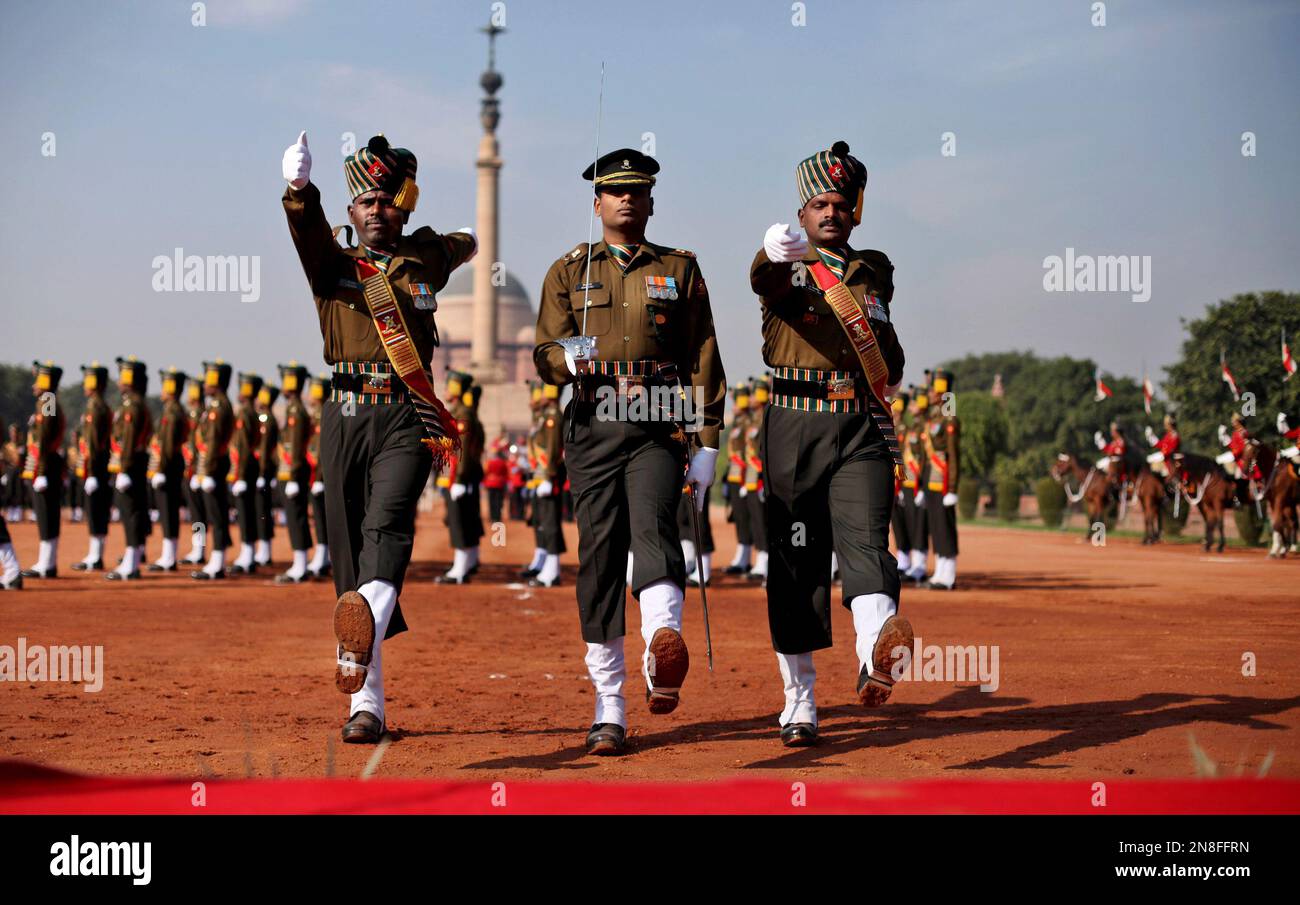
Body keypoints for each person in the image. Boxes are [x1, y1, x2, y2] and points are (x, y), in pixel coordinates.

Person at [282, 130, 476, 743]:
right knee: (348, 547)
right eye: (366, 201)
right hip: (343, 413)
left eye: (389, 200)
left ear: (406, 203)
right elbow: (306, 231)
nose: (377, 210)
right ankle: (367, 709)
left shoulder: (424, 259)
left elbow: (460, 244)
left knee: (387, 528)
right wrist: (298, 191)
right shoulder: (331, 264)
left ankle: (358, 663)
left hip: (405, 416)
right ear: (349, 210)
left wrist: (462, 244)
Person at [534, 147, 726, 756]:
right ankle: (608, 705)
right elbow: (544, 352)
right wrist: (564, 359)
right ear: (597, 204)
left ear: (650, 202)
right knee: (598, 558)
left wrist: (707, 438)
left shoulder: (681, 268)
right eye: (614, 191)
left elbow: (703, 355)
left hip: (655, 422)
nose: (625, 199)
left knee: (656, 531)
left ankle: (663, 641)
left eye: (636, 191)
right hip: (593, 420)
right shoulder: (568, 271)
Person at [750, 140, 913, 748]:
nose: (830, 213)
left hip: (861, 425)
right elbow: (766, 280)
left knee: (869, 541)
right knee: (798, 562)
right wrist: (772, 252)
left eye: (841, 204)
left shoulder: (873, 271)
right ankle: (800, 700)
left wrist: (890, 364)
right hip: (795, 423)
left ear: (856, 211)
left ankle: (876, 651)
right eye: (819, 203)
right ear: (801, 212)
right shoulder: (789, 265)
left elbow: (887, 346)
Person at [105, 357, 154, 581]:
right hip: (130, 463)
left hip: (131, 464)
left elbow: (130, 439)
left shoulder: (133, 405)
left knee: (131, 513)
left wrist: (124, 469)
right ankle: (131, 559)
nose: (119, 381)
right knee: (129, 512)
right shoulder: (131, 403)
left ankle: (132, 564)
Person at [435, 372, 485, 584]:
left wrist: (460, 479)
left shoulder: (462, 414)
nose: (445, 391)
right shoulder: (459, 412)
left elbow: (461, 451)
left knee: (459, 522)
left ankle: (460, 569)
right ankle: (466, 563)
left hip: (457, 477)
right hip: (456, 476)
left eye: (448, 387)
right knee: (463, 519)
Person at [21, 361, 66, 580]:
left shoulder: (48, 400)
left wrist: (42, 471)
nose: (34, 385)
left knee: (46, 515)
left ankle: (47, 563)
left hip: (45, 466)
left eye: (38, 379)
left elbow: (45, 438)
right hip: (44, 465)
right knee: (46, 514)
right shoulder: (46, 401)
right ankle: (47, 562)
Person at [191, 360, 235, 580]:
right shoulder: (213, 406)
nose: (205, 384)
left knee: (216, 516)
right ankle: (203, 552)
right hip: (206, 469)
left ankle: (217, 561)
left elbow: (214, 441)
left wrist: (206, 471)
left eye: (210, 379)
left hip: (213, 468)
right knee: (204, 515)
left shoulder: (219, 406)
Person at [921, 371, 961, 590]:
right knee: (936, 525)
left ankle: (949, 573)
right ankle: (940, 570)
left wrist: (953, 487)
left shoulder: (948, 418)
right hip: (932, 477)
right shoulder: (934, 416)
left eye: (932, 389)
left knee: (945, 525)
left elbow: (953, 454)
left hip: (944, 479)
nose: (929, 393)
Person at [275, 363, 315, 584]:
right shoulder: (293, 409)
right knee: (293, 518)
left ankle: (301, 565)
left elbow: (298, 446)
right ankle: (299, 562)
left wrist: (293, 476)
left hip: (294, 473)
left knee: (297, 518)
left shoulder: (297, 411)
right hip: (288, 472)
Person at [525, 381, 566, 587]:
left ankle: (552, 570)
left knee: (550, 523)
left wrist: (549, 477)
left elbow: (552, 448)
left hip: (548, 477)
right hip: (540, 477)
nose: (534, 398)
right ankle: (546, 566)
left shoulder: (553, 417)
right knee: (542, 522)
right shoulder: (544, 417)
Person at [73, 363, 113, 572]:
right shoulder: (93, 406)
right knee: (94, 512)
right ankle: (94, 554)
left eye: (88, 380)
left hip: (96, 469)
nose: (84, 385)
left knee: (97, 512)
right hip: (92, 468)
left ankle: (96, 556)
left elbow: (96, 444)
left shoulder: (97, 407)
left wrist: (94, 472)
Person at [228, 372, 264, 575]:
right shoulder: (250, 412)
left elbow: (242, 446)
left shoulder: (244, 413)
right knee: (246, 513)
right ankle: (247, 553)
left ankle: (248, 554)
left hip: (244, 470)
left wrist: (239, 475)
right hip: (247, 468)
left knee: (245, 513)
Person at [723, 381, 754, 575]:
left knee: (754, 520)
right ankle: (743, 556)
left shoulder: (749, 422)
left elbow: (749, 451)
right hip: (736, 475)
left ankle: (755, 559)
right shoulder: (738, 421)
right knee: (740, 519)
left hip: (747, 476)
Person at [743, 376, 770, 582]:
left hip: (760, 477)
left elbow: (763, 449)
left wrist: (762, 477)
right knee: (756, 521)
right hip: (751, 477)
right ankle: (761, 561)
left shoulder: (763, 417)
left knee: (763, 522)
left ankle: (765, 562)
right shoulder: (754, 418)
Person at [305, 374, 331, 580]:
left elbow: (325, 450)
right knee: (318, 519)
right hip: (314, 475)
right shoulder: (316, 414)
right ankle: (322, 555)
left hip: (321, 476)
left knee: (324, 519)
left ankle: (324, 556)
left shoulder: (325, 412)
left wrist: (321, 478)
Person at [253, 383, 280, 568]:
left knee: (263, 510)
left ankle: (265, 550)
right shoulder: (264, 418)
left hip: (265, 470)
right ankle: (263, 550)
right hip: (263, 470)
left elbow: (264, 449)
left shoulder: (267, 419)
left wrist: (262, 471)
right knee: (260, 509)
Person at [181, 378, 207, 566]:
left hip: (198, 470)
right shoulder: (194, 414)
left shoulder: (200, 415)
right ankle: (198, 548)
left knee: (199, 514)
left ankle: (200, 549)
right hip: (191, 469)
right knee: (196, 513)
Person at [1144, 413, 1180, 478]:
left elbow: (1168, 450)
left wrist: (1159, 455)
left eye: (1166, 424)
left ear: (1170, 425)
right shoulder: (1168, 435)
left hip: (1169, 460)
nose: (1165, 426)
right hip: (1164, 457)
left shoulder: (1174, 436)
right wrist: (1151, 437)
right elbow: (1161, 445)